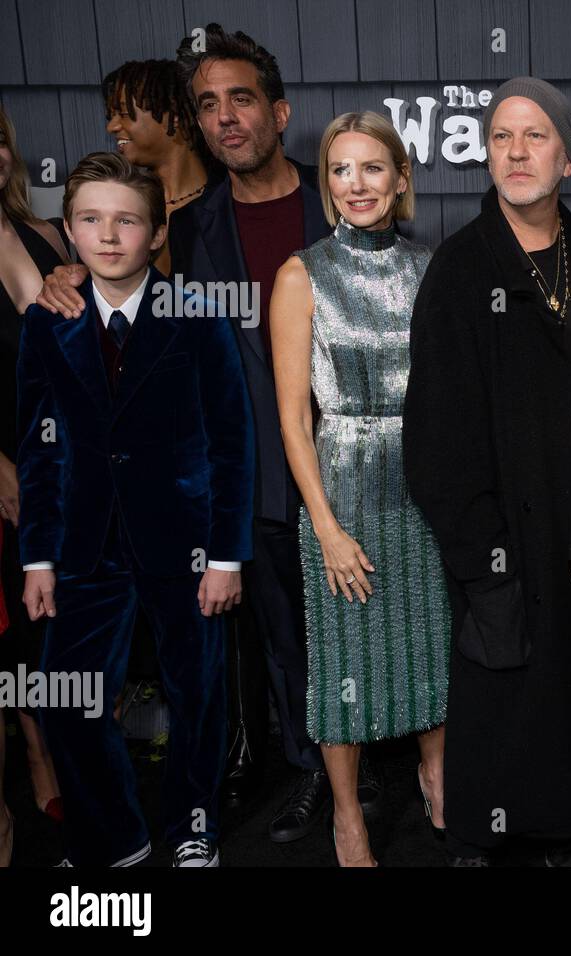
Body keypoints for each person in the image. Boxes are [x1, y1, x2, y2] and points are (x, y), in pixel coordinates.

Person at [35, 23, 356, 842]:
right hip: (255, 477)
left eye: (241, 99)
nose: (225, 119)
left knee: (365, 627)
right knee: (288, 644)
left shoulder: (343, 192)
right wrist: (65, 273)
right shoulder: (190, 226)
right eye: (208, 105)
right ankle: (313, 773)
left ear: (279, 113)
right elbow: (138, 311)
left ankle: (387, 767)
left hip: (356, 466)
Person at [403, 77, 571, 867]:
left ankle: (562, 830)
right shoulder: (462, 271)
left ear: (567, 157)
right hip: (500, 544)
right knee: (501, 698)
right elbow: (434, 443)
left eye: (535, 136)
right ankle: (485, 839)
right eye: (502, 136)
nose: (517, 151)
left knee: (564, 700)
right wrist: (482, 558)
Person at [19, 152, 254, 867]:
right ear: (69, 229)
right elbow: (37, 446)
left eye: (127, 220)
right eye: (91, 219)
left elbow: (233, 441)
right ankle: (115, 837)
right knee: (67, 699)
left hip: (184, 542)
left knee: (198, 692)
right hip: (82, 545)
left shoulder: (199, 318)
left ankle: (193, 825)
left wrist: (225, 554)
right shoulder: (45, 323)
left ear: (155, 233)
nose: (109, 235)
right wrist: (36, 554)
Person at [270, 112, 452, 867]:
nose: (356, 185)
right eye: (340, 171)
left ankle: (438, 771)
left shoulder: (431, 267)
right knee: (341, 659)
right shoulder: (300, 274)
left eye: (372, 168)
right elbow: (291, 419)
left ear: (401, 178)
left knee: (430, 645)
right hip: (340, 489)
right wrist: (327, 525)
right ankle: (347, 816)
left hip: (422, 488)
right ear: (327, 186)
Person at [0, 105, 69, 862]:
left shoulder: (44, 237)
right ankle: (35, 754)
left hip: (56, 461)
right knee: (15, 628)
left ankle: (61, 745)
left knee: (61, 615)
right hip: (4, 466)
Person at [103, 58, 216, 274]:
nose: (112, 126)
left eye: (125, 114)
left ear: (173, 116)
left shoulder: (229, 205)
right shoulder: (117, 206)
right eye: (111, 115)